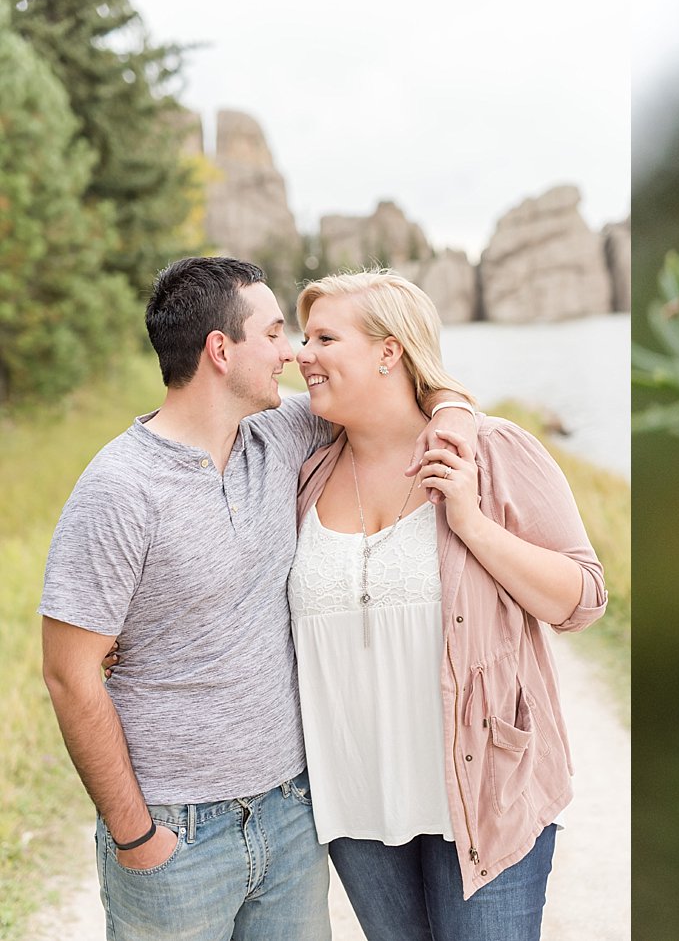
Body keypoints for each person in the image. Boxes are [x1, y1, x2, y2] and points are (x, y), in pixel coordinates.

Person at [39, 256, 477, 940]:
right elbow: (69, 676)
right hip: (177, 837)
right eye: (275, 335)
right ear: (221, 350)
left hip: (291, 817)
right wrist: (137, 836)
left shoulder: (279, 434)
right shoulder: (119, 489)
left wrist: (454, 410)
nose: (295, 354)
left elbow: (393, 398)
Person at [289, 269, 606, 940]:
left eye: (324, 337)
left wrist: (472, 523)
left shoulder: (489, 452)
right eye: (300, 336)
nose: (301, 352)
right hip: (359, 807)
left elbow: (583, 598)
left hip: (486, 793)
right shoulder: (305, 466)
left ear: (388, 351)